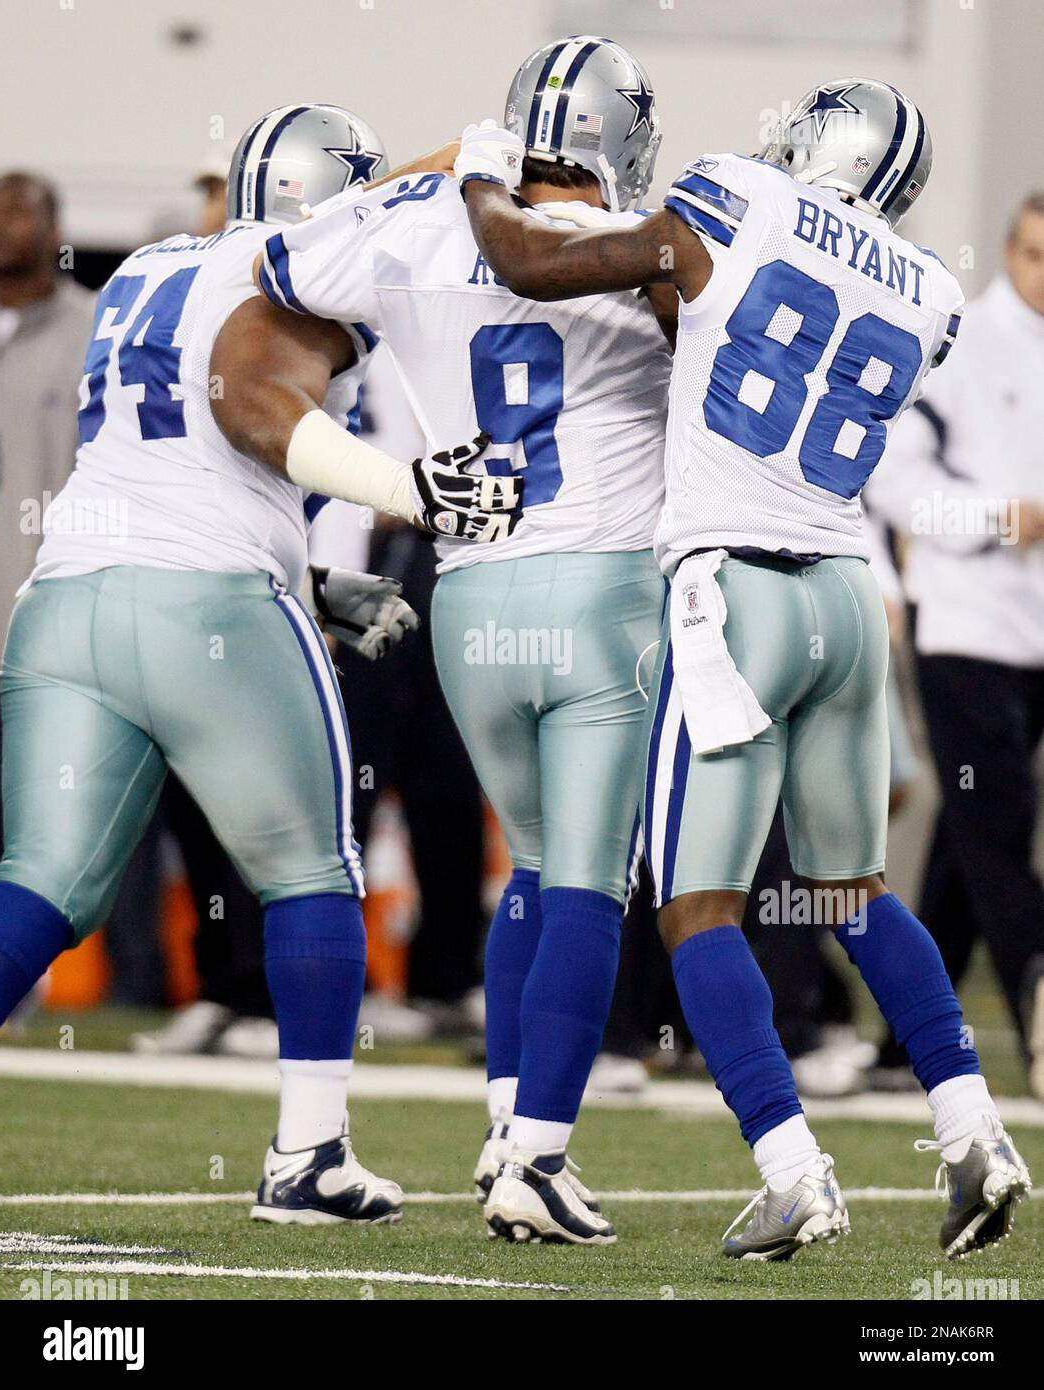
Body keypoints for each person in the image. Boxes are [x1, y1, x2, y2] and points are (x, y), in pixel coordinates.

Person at [458, 77, 1032, 1260]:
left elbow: (538, 265)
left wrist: (480, 173)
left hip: (733, 592)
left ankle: (791, 1169)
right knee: (852, 892)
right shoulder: (929, 288)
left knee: (695, 909)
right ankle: (974, 1128)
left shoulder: (733, 194)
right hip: (844, 593)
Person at [0, 104, 519, 1229]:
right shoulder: (291, 277)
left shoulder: (148, 269)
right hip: (207, 608)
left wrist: (316, 582)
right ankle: (309, 1155)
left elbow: (171, 462)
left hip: (66, 602)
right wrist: (409, 492)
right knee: (313, 871)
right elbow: (253, 415)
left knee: (41, 886)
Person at [248, 35, 672, 1244]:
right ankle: (535, 1154)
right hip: (598, 588)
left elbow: (273, 258)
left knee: (531, 863)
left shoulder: (423, 220)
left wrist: (433, 167)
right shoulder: (647, 243)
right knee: (584, 875)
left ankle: (504, 1124)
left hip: (468, 592)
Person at [866, 191, 1044, 1099]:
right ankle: (1036, 988)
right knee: (997, 821)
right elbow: (891, 478)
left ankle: (905, 1041)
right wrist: (993, 519)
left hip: (1034, 631)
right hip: (964, 622)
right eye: (1033, 254)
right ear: (1009, 252)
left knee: (965, 839)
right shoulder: (959, 342)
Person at [0, 172, 94, 869]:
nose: (0, 223)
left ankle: (138, 957)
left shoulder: (94, 327)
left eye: (18, 211)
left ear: (55, 232)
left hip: (53, 632)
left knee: (65, 835)